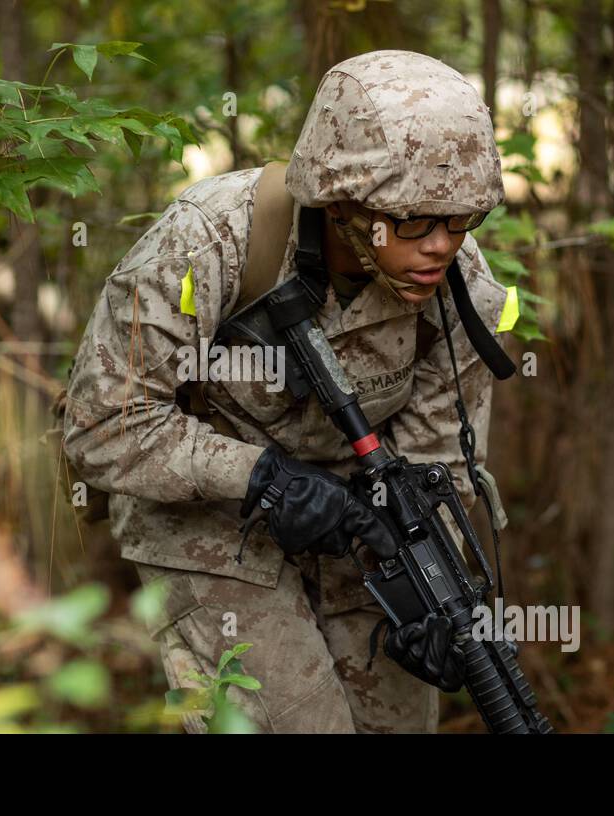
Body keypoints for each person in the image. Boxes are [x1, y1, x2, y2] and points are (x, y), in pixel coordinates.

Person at [63, 50, 509, 733]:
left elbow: (440, 464)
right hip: (207, 515)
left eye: (461, 220)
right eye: (413, 221)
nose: (440, 246)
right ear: (343, 204)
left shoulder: (461, 291)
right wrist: (262, 478)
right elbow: (102, 426)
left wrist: (433, 589)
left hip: (356, 527)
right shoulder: (211, 240)